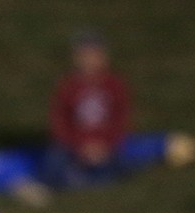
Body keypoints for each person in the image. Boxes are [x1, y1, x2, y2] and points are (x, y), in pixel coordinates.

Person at [42, 29, 132, 189]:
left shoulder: (114, 86)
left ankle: (88, 180)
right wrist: (79, 145)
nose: (89, 61)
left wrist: (105, 144)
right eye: (84, 56)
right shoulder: (68, 87)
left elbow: (120, 118)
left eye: (94, 55)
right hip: (74, 146)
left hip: (105, 146)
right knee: (53, 161)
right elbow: (60, 121)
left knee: (123, 160)